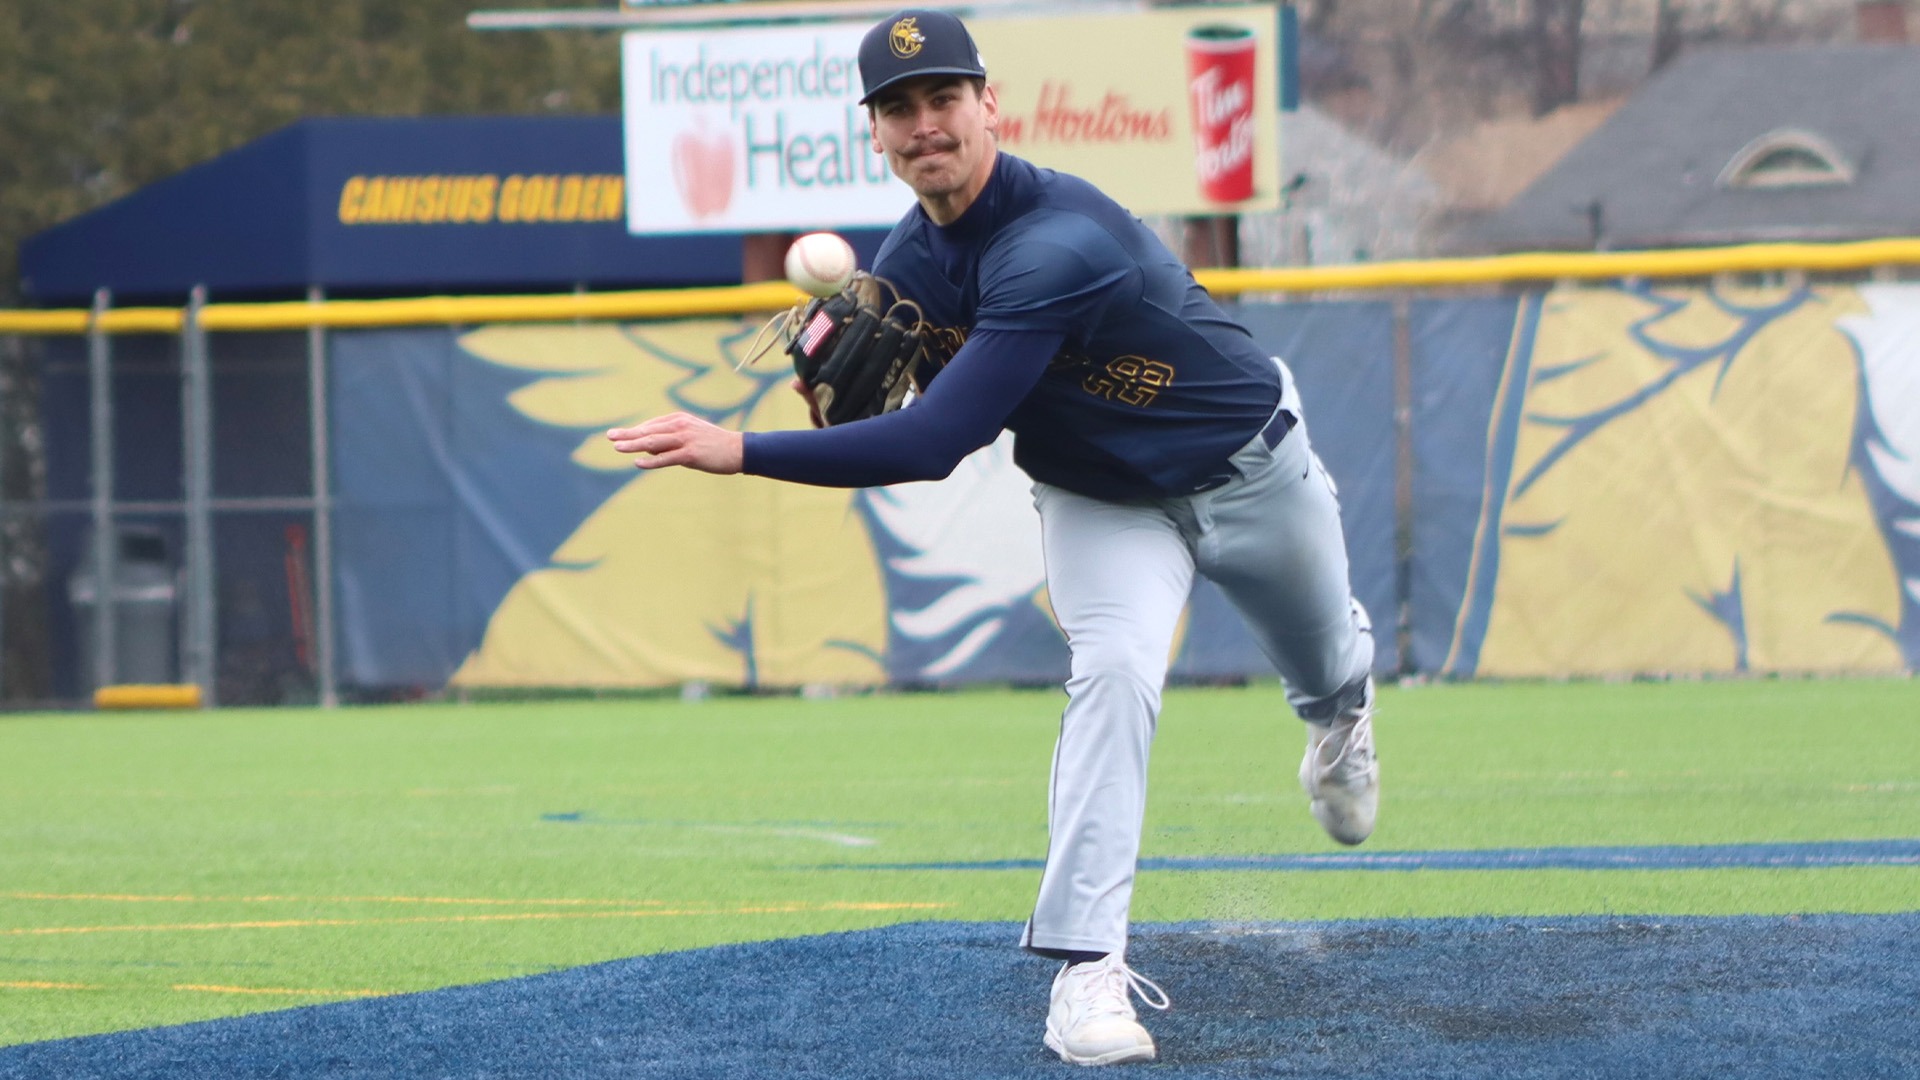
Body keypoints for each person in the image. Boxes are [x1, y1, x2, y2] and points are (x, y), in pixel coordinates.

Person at [608, 9, 1378, 1066]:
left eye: (943, 99)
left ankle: (1341, 723)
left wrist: (742, 449)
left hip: (1251, 464)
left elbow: (939, 441)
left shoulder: (1057, 241)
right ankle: (1087, 975)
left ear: (988, 107)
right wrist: (834, 404)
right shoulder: (909, 261)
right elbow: (887, 419)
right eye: (898, 109)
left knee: (1330, 666)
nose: (924, 124)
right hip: (1102, 499)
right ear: (876, 134)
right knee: (1112, 673)